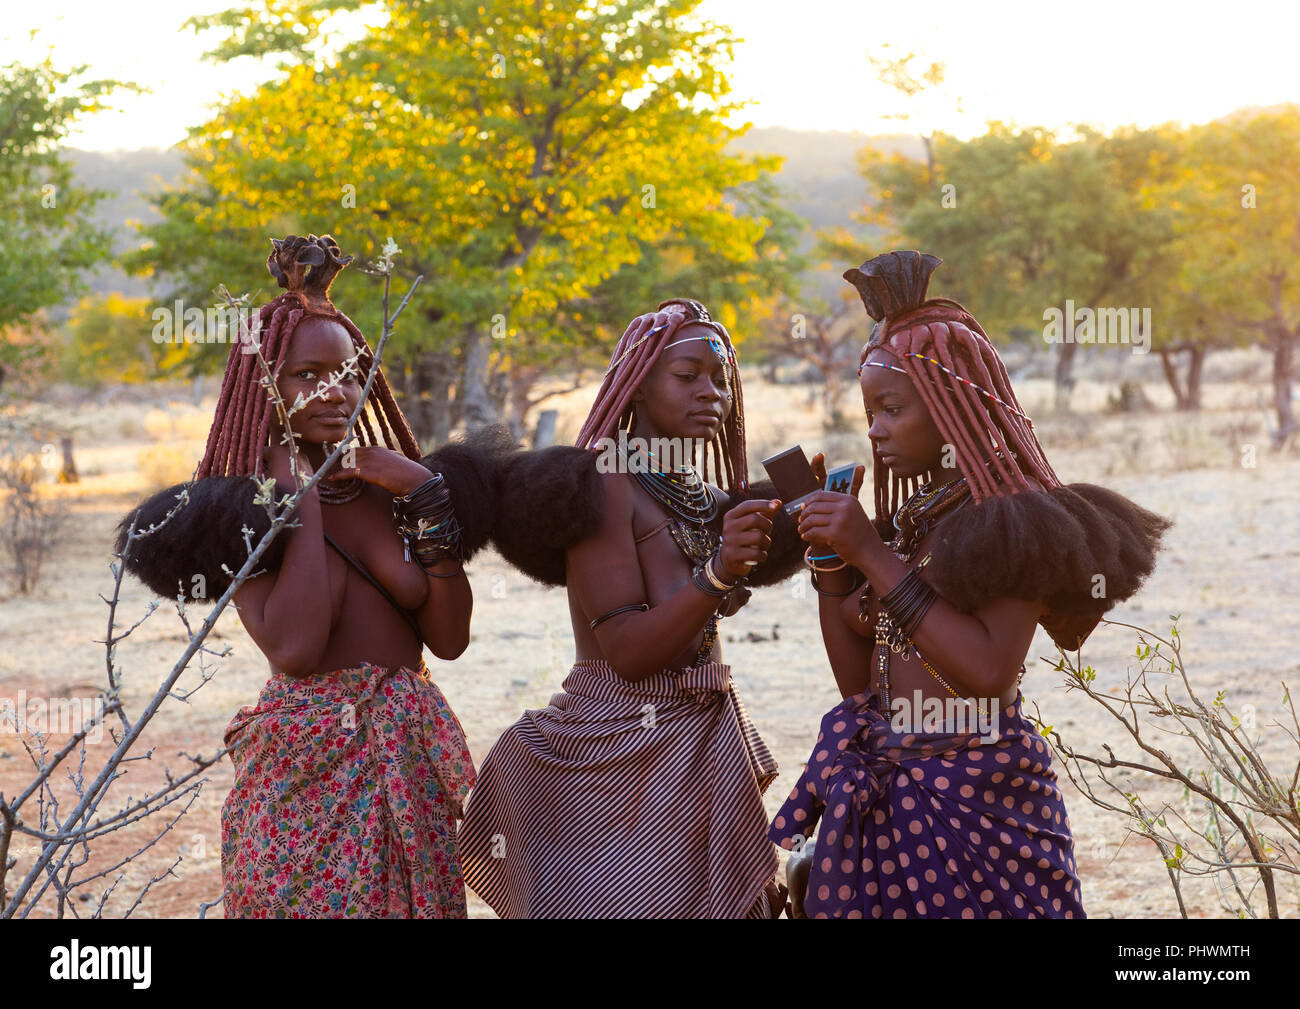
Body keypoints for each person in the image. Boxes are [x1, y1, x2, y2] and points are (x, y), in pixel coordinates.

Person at [771, 250, 1170, 919]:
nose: (875, 429)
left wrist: (870, 550)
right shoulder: (913, 521)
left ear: (952, 408)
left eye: (892, 409)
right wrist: (834, 560)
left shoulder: (1007, 522)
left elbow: (988, 670)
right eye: (870, 410)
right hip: (891, 790)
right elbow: (859, 691)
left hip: (978, 801)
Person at [116, 234, 500, 918]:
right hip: (304, 780)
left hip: (405, 765)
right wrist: (305, 498)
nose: (337, 390)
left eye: (351, 372)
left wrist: (428, 496)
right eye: (307, 374)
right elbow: (293, 649)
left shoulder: (385, 487)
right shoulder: (240, 506)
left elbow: (448, 640)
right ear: (261, 382)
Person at [457, 298, 803, 918]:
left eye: (721, 381)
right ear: (638, 385)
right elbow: (629, 652)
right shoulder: (605, 486)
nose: (712, 395)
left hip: (699, 743)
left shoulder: (699, 495)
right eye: (688, 375)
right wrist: (720, 572)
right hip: (619, 753)